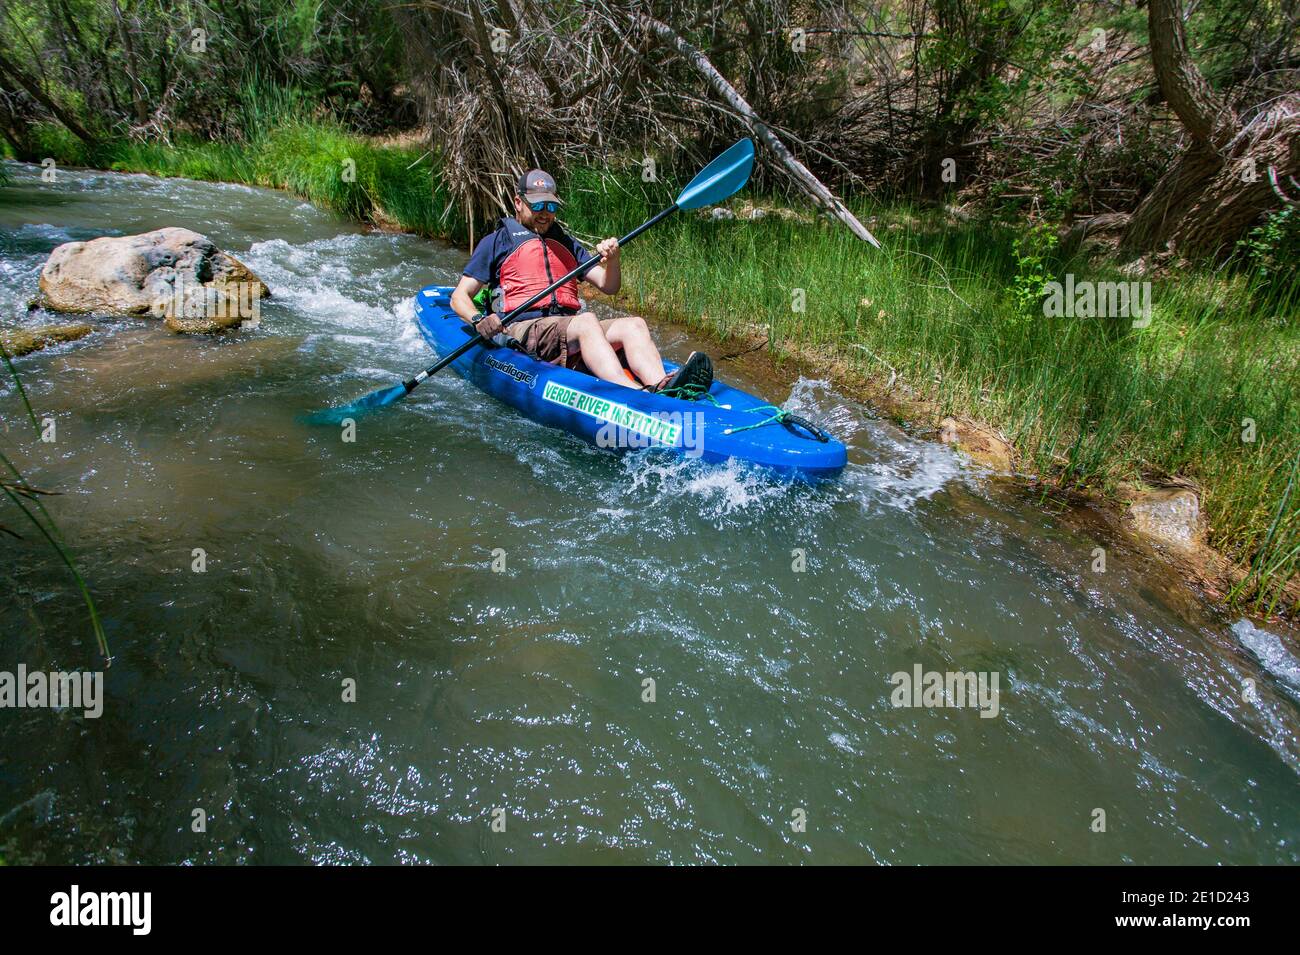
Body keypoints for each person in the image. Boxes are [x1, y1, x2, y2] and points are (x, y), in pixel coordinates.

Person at [449, 168, 713, 393]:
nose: (545, 213)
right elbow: (459, 297)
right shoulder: (497, 241)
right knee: (587, 322)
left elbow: (609, 286)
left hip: (568, 328)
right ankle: (634, 395)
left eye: (551, 206)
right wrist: (478, 320)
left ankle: (662, 387)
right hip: (524, 328)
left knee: (634, 325)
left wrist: (613, 259)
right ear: (518, 202)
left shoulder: (565, 243)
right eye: (537, 205)